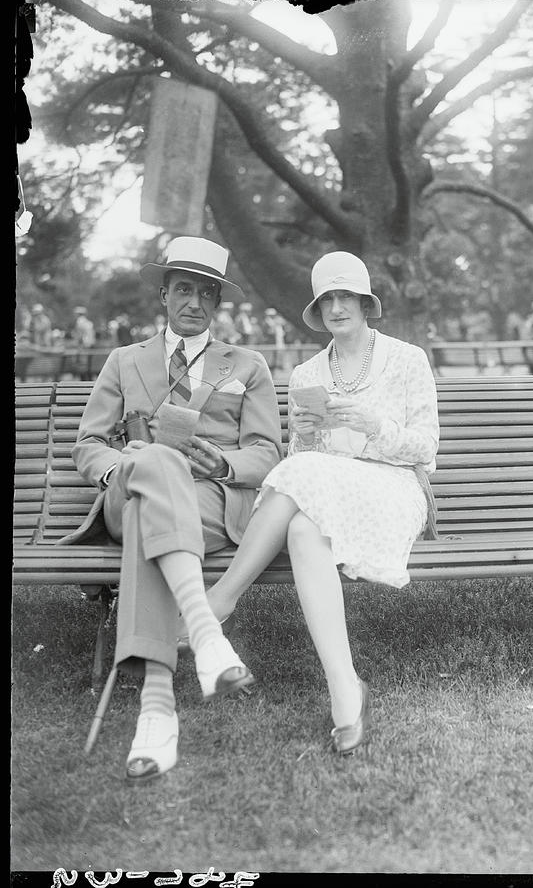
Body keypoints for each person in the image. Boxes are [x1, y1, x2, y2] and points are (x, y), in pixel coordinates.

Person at [182, 250, 440, 755]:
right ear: (318, 311)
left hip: (395, 490)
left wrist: (372, 424)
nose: (337, 307)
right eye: (327, 300)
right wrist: (301, 435)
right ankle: (345, 688)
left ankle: (223, 597)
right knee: (302, 528)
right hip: (329, 493)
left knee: (299, 478)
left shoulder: (407, 360)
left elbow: (425, 449)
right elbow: (304, 464)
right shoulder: (305, 374)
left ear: (366, 304)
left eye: (347, 297)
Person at [58, 236, 283, 782]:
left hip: (207, 500)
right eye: (184, 289)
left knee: (150, 507)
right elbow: (88, 443)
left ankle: (157, 708)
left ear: (218, 304)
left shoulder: (246, 365)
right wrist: (122, 467)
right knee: (153, 464)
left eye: (208, 293)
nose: (195, 302)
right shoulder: (123, 360)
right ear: (164, 293)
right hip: (127, 489)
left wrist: (224, 463)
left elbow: (268, 451)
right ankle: (204, 631)